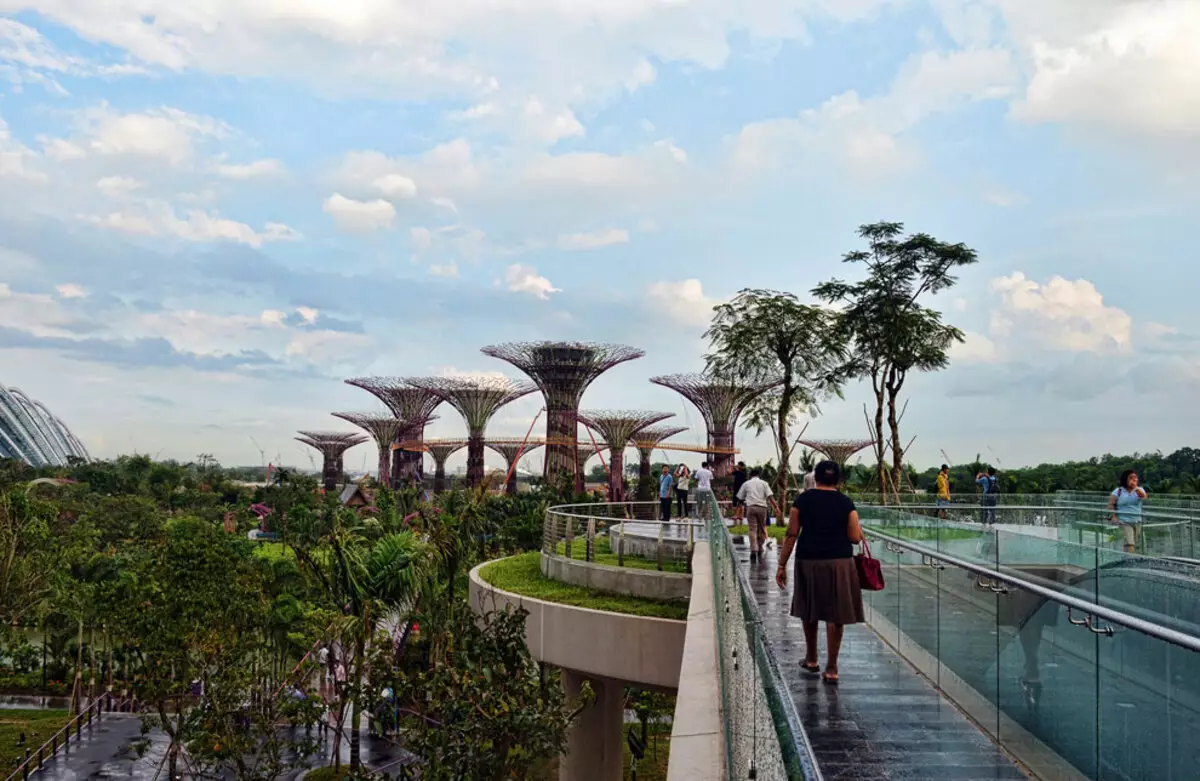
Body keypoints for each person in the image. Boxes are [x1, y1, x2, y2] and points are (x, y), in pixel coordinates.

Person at [775, 460, 864, 685]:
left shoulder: (803, 500)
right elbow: (854, 537)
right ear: (839, 480)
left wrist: (781, 565)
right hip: (839, 562)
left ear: (815, 478)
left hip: (809, 559)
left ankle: (812, 658)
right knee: (836, 614)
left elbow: (792, 533)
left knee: (810, 607)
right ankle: (832, 668)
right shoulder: (846, 503)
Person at [737, 467, 778, 562]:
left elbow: (740, 498)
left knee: (752, 529)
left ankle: (754, 549)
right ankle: (760, 547)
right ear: (759, 475)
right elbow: (770, 497)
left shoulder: (746, 484)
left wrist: (739, 508)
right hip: (762, 508)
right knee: (762, 528)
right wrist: (776, 507)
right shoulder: (764, 483)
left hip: (751, 507)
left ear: (750, 475)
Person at [1109, 469, 1147, 553]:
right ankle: (1130, 562)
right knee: (1130, 543)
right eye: (1131, 477)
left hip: (1137, 521)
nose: (1133, 479)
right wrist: (1114, 516)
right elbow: (1111, 504)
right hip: (1124, 521)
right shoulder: (1118, 491)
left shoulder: (1139, 489)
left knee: (1132, 544)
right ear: (1125, 479)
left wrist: (1135, 488)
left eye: (1135, 477)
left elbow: (1143, 497)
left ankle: (1126, 559)